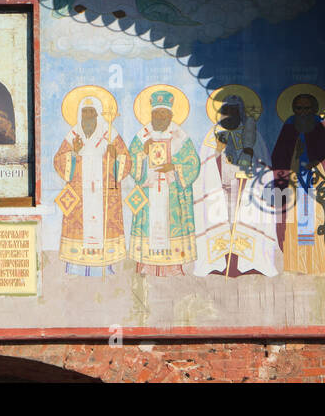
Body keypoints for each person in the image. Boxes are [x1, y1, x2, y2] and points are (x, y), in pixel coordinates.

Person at [194, 90, 280, 277]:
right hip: (220, 190)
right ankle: (221, 263)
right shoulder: (214, 133)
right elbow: (205, 163)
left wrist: (250, 160)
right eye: (227, 111)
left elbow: (263, 162)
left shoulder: (252, 133)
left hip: (247, 191)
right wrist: (218, 150)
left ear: (240, 113)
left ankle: (248, 263)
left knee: (244, 223)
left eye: (234, 111)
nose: (230, 115)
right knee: (222, 223)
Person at [126, 88, 201, 275]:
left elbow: (193, 163)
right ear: (150, 114)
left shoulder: (180, 136)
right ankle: (146, 265)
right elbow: (130, 162)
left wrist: (174, 166)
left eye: (163, 113)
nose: (160, 117)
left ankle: (173, 266)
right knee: (149, 227)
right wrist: (143, 152)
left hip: (172, 193)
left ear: (170, 115)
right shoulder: (142, 135)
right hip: (148, 193)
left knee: (170, 228)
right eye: (156, 113)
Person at [54, 91, 129, 276]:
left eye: (91, 112)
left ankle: (105, 266)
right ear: (80, 114)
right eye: (84, 112)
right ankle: (75, 266)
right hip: (80, 194)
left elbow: (126, 160)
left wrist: (114, 156)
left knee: (103, 225)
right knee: (79, 227)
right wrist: (74, 153)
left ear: (97, 114)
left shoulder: (109, 133)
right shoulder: (73, 134)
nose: (88, 116)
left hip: (103, 193)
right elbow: (58, 161)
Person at [270, 90, 325, 275]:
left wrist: (317, 163)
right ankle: (298, 264)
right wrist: (294, 156)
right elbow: (279, 155)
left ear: (314, 109)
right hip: (295, 180)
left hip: (317, 180)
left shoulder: (320, 126)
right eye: (299, 108)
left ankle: (319, 262)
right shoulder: (289, 125)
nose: (302, 113)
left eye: (307, 109)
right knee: (297, 221)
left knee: (317, 218)